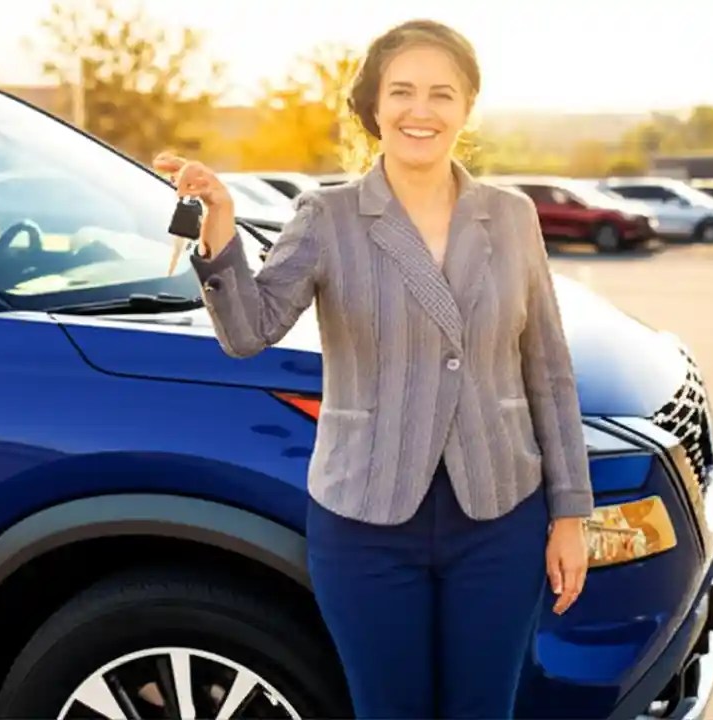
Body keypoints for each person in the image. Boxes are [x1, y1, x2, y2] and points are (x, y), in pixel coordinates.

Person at [153, 18, 593, 719]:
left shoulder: (511, 217)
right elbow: (248, 333)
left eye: (442, 94)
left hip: (499, 514)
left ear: (466, 108)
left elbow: (549, 369)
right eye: (403, 92)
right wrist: (222, 226)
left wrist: (570, 513)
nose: (422, 111)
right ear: (374, 107)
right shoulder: (327, 216)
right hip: (366, 519)